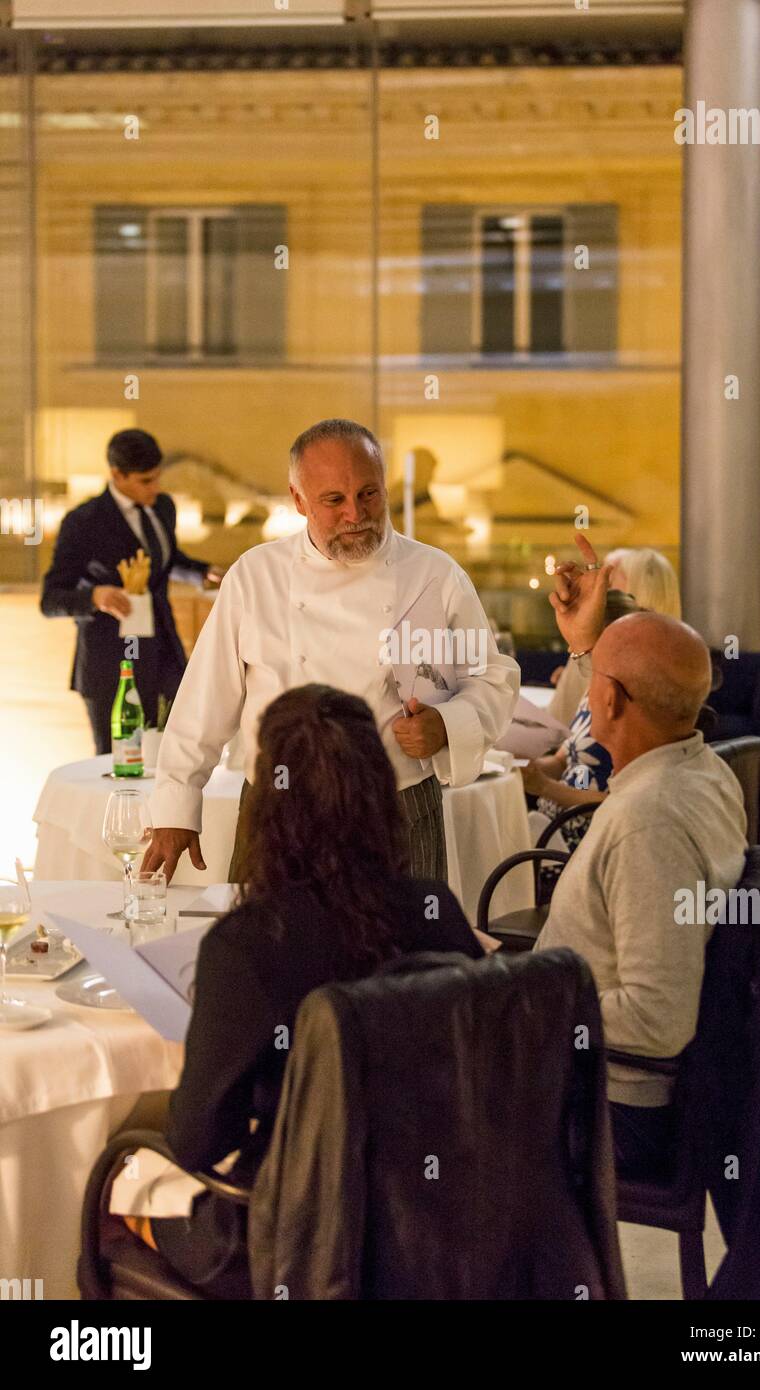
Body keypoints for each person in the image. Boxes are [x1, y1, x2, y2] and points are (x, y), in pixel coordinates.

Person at [121, 685, 483, 1298]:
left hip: (283, 1236)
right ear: (380, 792)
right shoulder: (436, 911)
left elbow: (200, 1142)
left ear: (269, 802)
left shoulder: (249, 945)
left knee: (114, 1187)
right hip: (426, 1227)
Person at [143, 418, 519, 884]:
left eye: (369, 494)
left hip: (396, 806)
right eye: (334, 500)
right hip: (280, 807)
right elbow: (205, 698)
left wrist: (447, 725)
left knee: (406, 952)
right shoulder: (256, 576)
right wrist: (176, 807)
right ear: (299, 501)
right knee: (269, 950)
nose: (355, 515)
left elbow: (492, 678)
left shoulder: (434, 575)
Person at [537, 540, 747, 1179]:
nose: (582, 691)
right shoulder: (703, 769)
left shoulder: (647, 823)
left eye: (592, 677)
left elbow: (656, 1020)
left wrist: (519, 999)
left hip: (609, 1106)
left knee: (399, 1091)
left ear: (611, 701)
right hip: (597, 1070)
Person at [40, 429, 224, 753]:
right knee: (120, 762)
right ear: (117, 475)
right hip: (111, 662)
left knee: (173, 754)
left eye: (157, 478)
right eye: (145, 481)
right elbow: (51, 599)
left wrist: (200, 572)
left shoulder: (163, 507)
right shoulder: (83, 522)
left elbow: (165, 560)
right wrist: (94, 597)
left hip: (163, 653)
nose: (156, 488)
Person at [521, 590, 641, 856]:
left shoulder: (633, 705)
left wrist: (544, 787)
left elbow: (623, 803)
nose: (571, 650)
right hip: (548, 829)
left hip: (581, 845)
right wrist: (528, 769)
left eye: (580, 640)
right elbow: (563, 761)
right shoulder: (593, 688)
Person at [548, 545, 681, 727]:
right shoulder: (682, 657)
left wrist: (582, 660)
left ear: (634, 593)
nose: (598, 592)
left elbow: (556, 729)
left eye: (608, 584)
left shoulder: (603, 649)